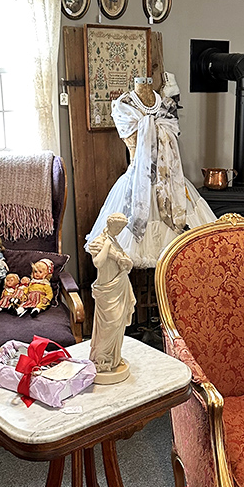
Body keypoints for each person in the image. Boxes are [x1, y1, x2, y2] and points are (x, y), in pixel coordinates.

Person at [85, 78, 215, 267]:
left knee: (180, 252)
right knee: (131, 249)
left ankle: (168, 291)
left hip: (171, 184)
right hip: (137, 184)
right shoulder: (124, 106)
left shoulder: (167, 106)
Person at [88, 213, 136, 377]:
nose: (119, 231)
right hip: (107, 289)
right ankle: (101, 358)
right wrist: (108, 248)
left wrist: (122, 260)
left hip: (120, 285)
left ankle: (114, 357)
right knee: (109, 324)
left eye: (121, 228)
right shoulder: (100, 242)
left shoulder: (115, 241)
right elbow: (98, 263)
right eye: (118, 228)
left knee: (119, 323)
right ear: (110, 224)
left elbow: (128, 263)